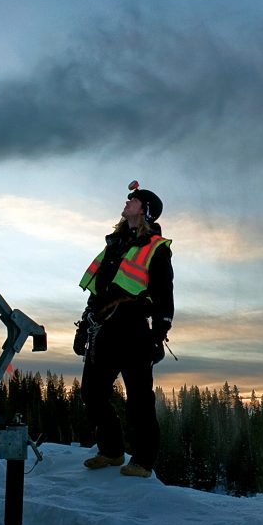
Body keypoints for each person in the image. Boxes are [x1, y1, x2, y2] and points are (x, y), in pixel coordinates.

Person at [74, 184, 173, 478]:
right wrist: (84, 326)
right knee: (91, 393)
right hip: (103, 330)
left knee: (139, 400)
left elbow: (164, 295)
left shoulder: (156, 248)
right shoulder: (113, 245)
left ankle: (142, 461)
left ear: (144, 210)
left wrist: (159, 333)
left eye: (134, 199)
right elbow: (98, 293)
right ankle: (112, 451)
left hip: (134, 332)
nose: (128, 201)